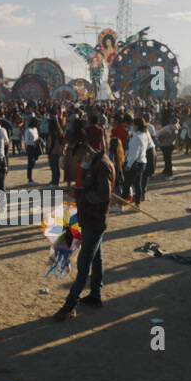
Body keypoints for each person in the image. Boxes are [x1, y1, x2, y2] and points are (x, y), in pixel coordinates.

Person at [53, 136, 116, 320]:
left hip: (95, 221)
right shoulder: (96, 164)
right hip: (90, 218)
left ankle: (70, 304)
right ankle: (95, 295)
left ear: (87, 150)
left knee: (84, 263)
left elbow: (103, 195)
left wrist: (82, 194)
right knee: (96, 258)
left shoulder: (102, 166)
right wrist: (80, 192)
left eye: (80, 157)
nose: (80, 162)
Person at [124, 118, 153, 204]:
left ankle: (121, 203)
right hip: (142, 161)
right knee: (137, 184)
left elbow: (134, 153)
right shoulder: (144, 134)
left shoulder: (136, 137)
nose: (132, 126)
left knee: (127, 183)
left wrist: (129, 164)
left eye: (133, 125)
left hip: (135, 163)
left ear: (136, 125)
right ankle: (137, 203)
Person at [24, 118, 41, 185]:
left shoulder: (35, 129)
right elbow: (26, 141)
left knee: (34, 162)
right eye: (36, 123)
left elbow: (37, 137)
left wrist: (38, 140)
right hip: (30, 148)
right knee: (30, 163)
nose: (37, 124)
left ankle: (30, 178)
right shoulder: (27, 130)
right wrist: (34, 142)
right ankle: (29, 179)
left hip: (36, 148)